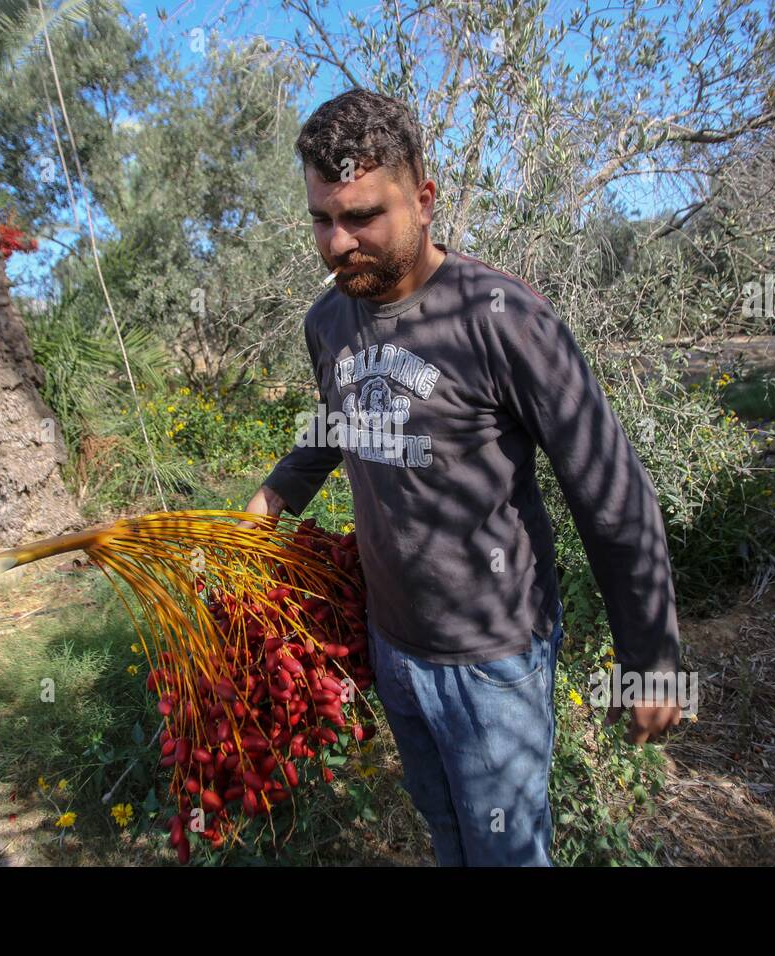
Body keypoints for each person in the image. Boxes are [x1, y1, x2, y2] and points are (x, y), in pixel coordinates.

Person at [239, 89, 684, 866]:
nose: (339, 244)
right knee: (447, 836)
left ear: (424, 199)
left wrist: (652, 659)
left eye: (363, 216)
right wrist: (279, 490)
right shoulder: (329, 321)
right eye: (321, 219)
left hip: (495, 660)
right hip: (393, 643)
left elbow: (609, 493)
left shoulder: (504, 318)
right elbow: (337, 419)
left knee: (506, 853)